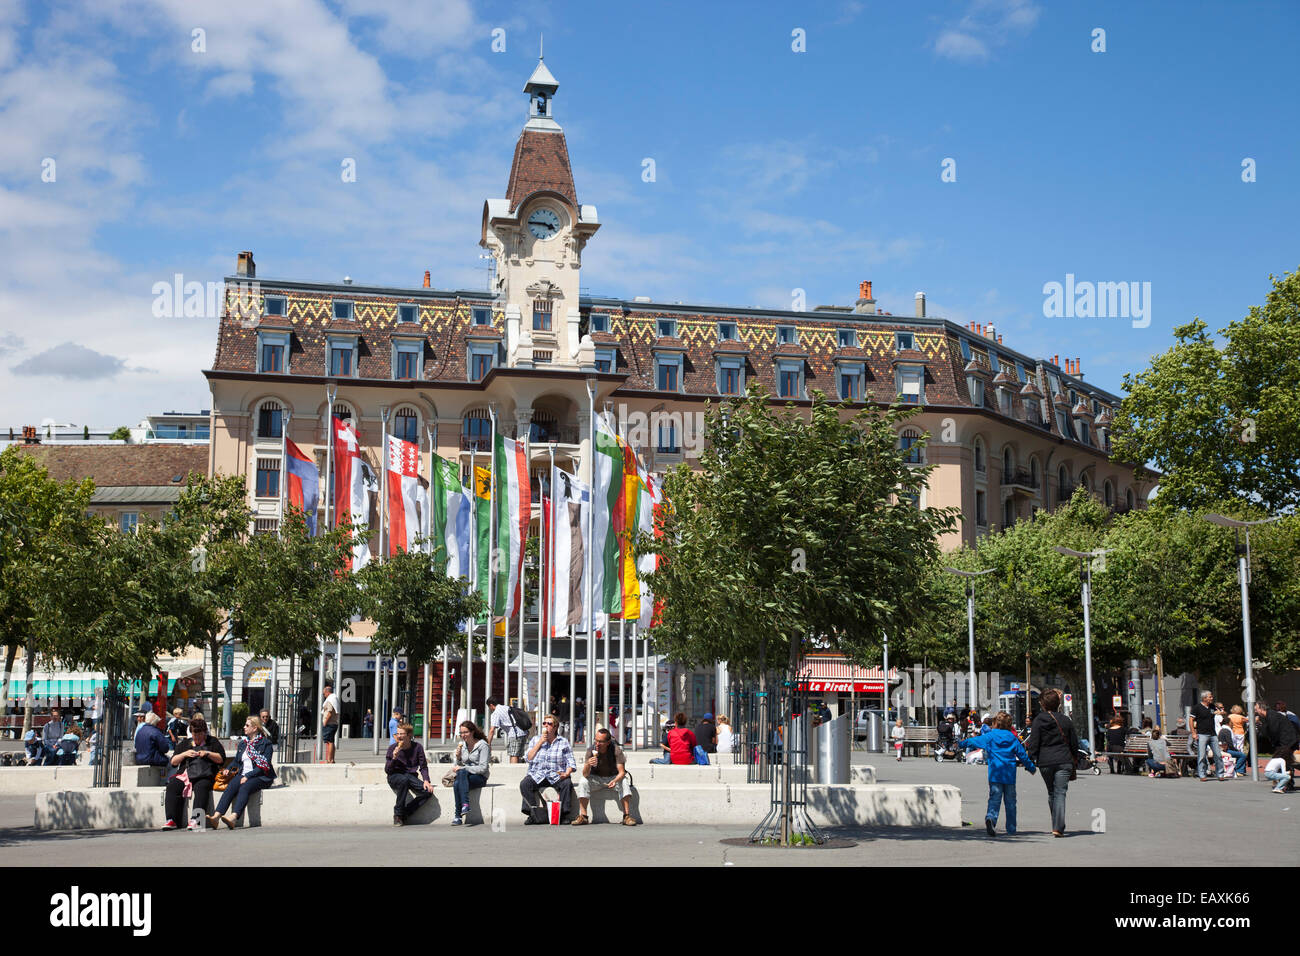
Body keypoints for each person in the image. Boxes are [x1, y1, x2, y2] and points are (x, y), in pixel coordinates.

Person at [960, 711, 1036, 836]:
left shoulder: (990, 736)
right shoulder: (1012, 738)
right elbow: (1022, 754)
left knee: (994, 800)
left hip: (995, 774)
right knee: (1010, 803)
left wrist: (961, 743)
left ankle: (991, 818)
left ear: (995, 723)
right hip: (1009, 775)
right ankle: (1011, 829)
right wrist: (1031, 768)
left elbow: (974, 741)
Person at [1025, 688, 1079, 838]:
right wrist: (1075, 758)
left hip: (1046, 761)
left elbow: (1034, 742)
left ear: (1042, 704)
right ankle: (1058, 826)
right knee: (1060, 792)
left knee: (1051, 792)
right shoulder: (1065, 720)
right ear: (1058, 703)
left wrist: (1030, 759)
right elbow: (1074, 743)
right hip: (1064, 760)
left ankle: (1055, 822)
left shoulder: (1038, 720)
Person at [209, 716, 276, 829]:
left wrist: (248, 776)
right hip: (243, 774)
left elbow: (265, 765)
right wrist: (228, 769)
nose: (244, 727)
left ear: (255, 728)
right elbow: (237, 761)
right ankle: (216, 816)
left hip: (261, 776)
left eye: (247, 725)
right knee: (231, 786)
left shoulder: (266, 744)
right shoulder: (243, 743)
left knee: (245, 787)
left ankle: (234, 818)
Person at [164, 717, 227, 830]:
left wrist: (207, 753)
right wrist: (185, 754)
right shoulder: (185, 744)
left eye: (200, 734)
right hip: (185, 775)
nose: (197, 737)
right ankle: (171, 820)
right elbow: (173, 762)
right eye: (194, 734)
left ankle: (196, 820)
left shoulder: (212, 741)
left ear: (204, 733)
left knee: (202, 787)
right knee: (172, 785)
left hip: (205, 774)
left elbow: (221, 759)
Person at [573, 727, 637, 826]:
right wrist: (588, 764)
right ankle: (584, 816)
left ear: (608, 742)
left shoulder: (616, 750)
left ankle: (626, 816)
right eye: (596, 740)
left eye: (600, 742)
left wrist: (615, 781)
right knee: (583, 781)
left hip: (613, 777)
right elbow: (585, 774)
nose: (597, 744)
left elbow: (622, 772)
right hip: (596, 779)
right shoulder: (591, 750)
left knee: (624, 781)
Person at [520, 714, 576, 823]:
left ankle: (563, 815)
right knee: (525, 784)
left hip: (556, 774)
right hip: (538, 774)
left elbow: (571, 762)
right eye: (544, 723)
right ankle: (532, 814)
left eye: (549, 724)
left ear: (555, 727)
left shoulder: (563, 742)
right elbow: (528, 758)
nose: (546, 726)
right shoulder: (535, 740)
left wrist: (567, 773)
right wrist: (540, 743)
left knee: (567, 784)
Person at [385, 722, 433, 825]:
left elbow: (423, 766)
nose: (399, 736)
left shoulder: (417, 747)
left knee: (428, 791)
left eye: (402, 734)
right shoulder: (392, 748)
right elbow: (388, 770)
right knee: (403, 780)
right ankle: (397, 815)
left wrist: (426, 780)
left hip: (409, 776)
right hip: (395, 775)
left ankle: (405, 813)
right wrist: (394, 758)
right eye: (397, 734)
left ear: (409, 735)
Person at [451, 720, 490, 826]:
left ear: (472, 732)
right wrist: (458, 758)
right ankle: (463, 808)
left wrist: (464, 768)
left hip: (480, 777)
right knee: (457, 783)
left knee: (461, 775)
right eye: (461, 733)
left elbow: (483, 768)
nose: (463, 735)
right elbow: (458, 765)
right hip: (465, 776)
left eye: (465, 732)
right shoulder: (463, 745)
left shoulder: (483, 745)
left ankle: (458, 814)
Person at [1255, 702, 1298, 792]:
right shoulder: (1269, 716)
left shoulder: (1272, 716)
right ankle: (1285, 783)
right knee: (1284, 763)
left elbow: (1273, 732)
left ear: (1261, 709)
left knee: (1281, 762)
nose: (1256, 711)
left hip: (1286, 742)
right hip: (1286, 741)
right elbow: (1267, 732)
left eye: (1256, 709)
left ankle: (1285, 784)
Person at [1190, 691, 1224, 781]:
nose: (1212, 698)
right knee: (1202, 756)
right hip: (1202, 734)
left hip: (1213, 734)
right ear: (1204, 698)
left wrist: (1220, 713)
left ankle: (1220, 774)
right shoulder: (1197, 708)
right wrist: (1193, 733)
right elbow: (1191, 719)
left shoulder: (1212, 706)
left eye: (1211, 696)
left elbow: (1222, 712)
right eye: (1210, 697)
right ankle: (1202, 774)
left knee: (1218, 754)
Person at [487, 696, 527, 764]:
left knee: (513, 755)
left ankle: (513, 772)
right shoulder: (506, 707)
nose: (490, 709)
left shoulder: (496, 713)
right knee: (518, 755)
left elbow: (492, 730)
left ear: (491, 705)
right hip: (523, 732)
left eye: (489, 707)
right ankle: (518, 772)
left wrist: (488, 744)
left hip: (514, 734)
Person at [321, 681, 341, 764]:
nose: (324, 695)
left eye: (324, 694)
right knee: (331, 741)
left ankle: (330, 760)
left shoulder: (330, 700)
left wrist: (325, 722)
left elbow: (329, 712)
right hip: (334, 723)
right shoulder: (334, 699)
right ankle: (331, 759)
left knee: (329, 742)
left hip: (329, 724)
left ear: (327, 692)